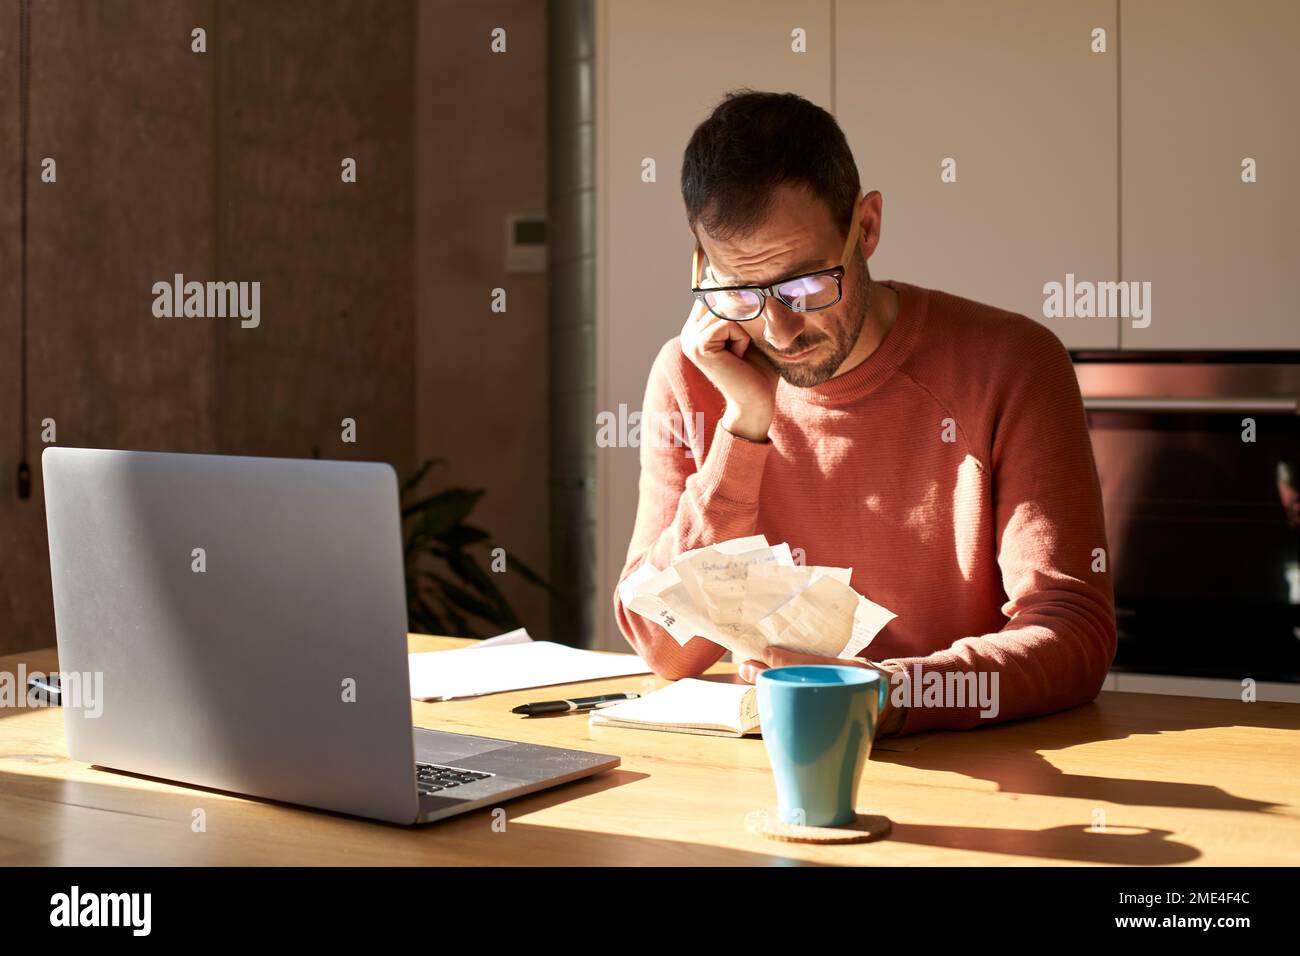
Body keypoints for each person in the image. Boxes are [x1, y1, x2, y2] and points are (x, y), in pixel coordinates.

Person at [612, 90, 1116, 735]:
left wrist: (889, 693)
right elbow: (663, 648)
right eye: (738, 289)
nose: (778, 330)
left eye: (804, 286)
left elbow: (1073, 633)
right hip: (765, 773)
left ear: (867, 227)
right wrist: (743, 427)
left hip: (977, 769)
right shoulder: (694, 372)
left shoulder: (1012, 362)